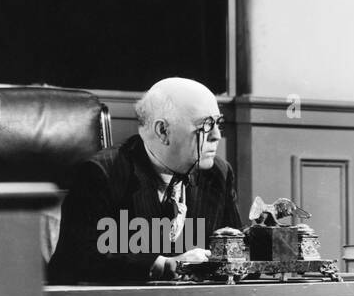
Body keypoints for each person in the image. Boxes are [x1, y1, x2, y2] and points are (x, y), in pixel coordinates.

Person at [47, 77, 238, 284]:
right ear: (163, 131)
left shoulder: (219, 174)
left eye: (218, 123)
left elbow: (236, 255)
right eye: (206, 125)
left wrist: (237, 248)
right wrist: (164, 265)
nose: (217, 136)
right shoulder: (103, 173)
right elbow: (77, 261)